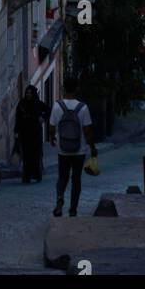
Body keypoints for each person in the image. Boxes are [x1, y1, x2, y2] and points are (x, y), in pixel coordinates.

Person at [48, 78, 96, 217]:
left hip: (62, 149)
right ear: (76, 88)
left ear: (63, 89)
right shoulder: (83, 108)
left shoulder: (57, 106)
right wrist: (92, 146)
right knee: (76, 179)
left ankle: (59, 200)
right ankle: (73, 209)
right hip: (78, 150)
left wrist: (52, 138)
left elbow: (51, 126)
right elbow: (87, 131)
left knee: (62, 177)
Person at [14, 85, 48, 183]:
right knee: (26, 155)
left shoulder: (38, 103)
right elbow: (18, 118)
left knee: (36, 154)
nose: (28, 95)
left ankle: (37, 175)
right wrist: (16, 131)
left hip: (36, 133)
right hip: (24, 133)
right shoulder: (22, 104)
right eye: (27, 93)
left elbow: (48, 110)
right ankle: (27, 176)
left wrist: (43, 117)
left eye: (30, 93)